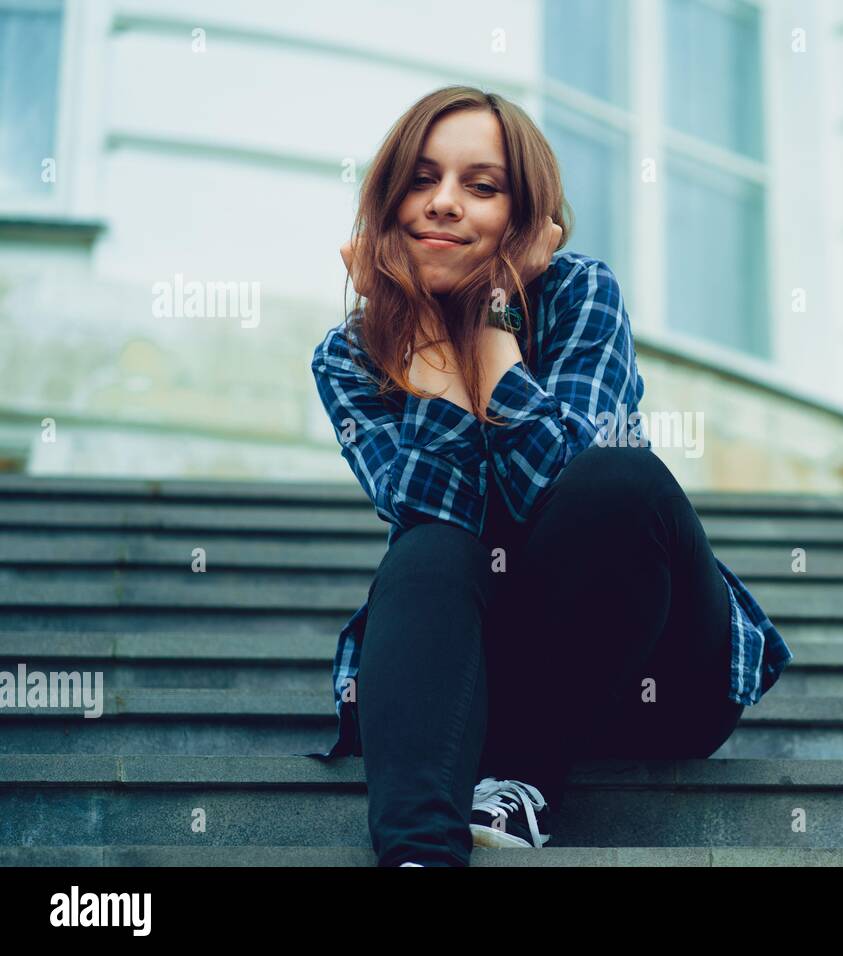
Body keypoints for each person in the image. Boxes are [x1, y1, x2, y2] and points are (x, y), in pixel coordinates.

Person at [306, 85, 793, 867]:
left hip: (651, 671)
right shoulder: (349, 355)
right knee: (428, 552)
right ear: (388, 200)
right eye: (421, 180)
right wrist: (431, 355)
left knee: (619, 481)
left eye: (482, 186)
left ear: (528, 216)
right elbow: (434, 515)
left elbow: (558, 489)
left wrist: (494, 336)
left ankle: (523, 781)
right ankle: (420, 853)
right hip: (476, 683)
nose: (444, 204)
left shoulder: (580, 294)